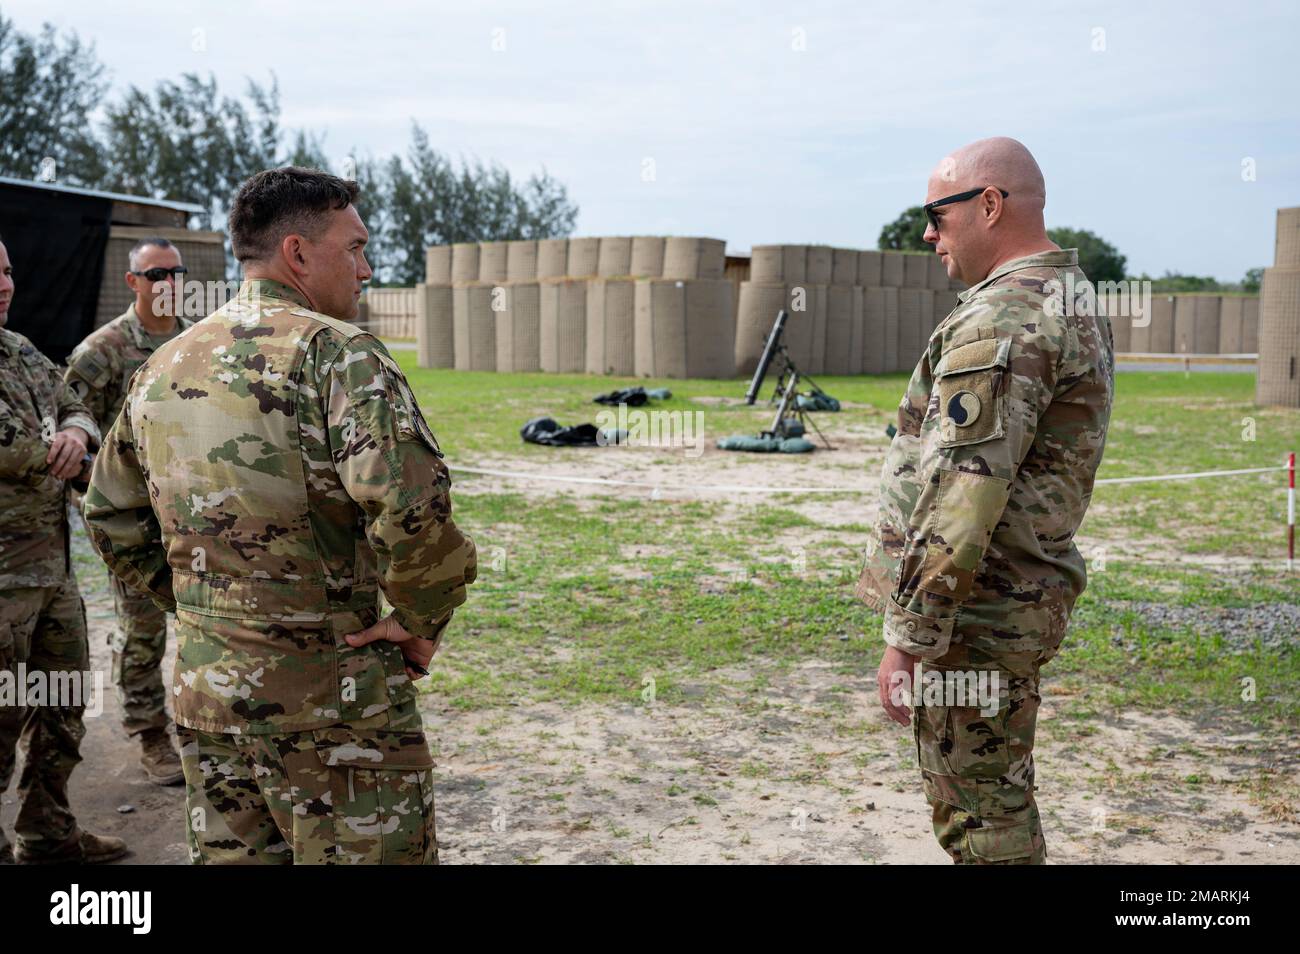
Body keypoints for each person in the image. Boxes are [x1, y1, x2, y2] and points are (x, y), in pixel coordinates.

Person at [83, 167, 477, 864]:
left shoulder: (165, 365)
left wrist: (207, 614)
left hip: (212, 703)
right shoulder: (338, 356)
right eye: (354, 248)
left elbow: (110, 512)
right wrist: (419, 619)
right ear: (297, 253)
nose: (367, 268)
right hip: (335, 706)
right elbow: (412, 510)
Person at [858, 137, 1114, 864]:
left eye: (937, 215)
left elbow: (959, 499)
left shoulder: (1002, 318)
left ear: (990, 205)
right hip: (1013, 599)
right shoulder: (1068, 296)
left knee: (979, 809)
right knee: (994, 788)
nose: (929, 235)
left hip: (978, 612)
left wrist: (908, 636)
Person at [0, 235, 129, 864]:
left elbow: (72, 402)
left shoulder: (20, 352)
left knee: (63, 705)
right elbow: (20, 451)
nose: (3, 285)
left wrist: (77, 430)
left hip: (51, 576)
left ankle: (47, 832)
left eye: (7, 271)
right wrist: (53, 456)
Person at [65, 237, 193, 785]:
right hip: (133, 524)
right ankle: (150, 736)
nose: (167, 282)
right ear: (133, 282)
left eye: (175, 272)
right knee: (142, 632)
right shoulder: (103, 350)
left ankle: (196, 722)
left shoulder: (194, 343)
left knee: (200, 625)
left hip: (192, 516)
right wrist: (104, 510)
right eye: (155, 273)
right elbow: (71, 428)